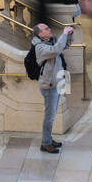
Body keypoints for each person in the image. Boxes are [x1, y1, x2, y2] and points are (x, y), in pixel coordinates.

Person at [31, 22, 72, 154]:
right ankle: (45, 143)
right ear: (40, 34)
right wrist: (64, 34)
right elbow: (56, 50)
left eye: (48, 28)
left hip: (58, 80)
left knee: (53, 114)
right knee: (50, 116)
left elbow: (65, 45)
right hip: (49, 85)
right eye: (46, 29)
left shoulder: (52, 41)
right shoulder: (40, 47)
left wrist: (70, 35)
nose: (49, 30)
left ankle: (49, 139)